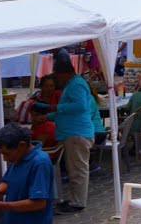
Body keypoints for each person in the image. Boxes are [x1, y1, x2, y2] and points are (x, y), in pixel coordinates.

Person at [0, 125, 53, 224]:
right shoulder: (19, 158)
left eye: (6, 154)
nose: (5, 159)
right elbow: (7, 182)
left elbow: (38, 203)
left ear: (22, 145)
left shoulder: (39, 162)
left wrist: (0, 205)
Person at [51, 62, 93, 215]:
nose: (56, 79)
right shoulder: (73, 84)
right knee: (75, 169)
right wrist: (49, 116)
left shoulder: (76, 85)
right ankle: (76, 200)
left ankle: (78, 203)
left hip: (77, 134)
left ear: (63, 73)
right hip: (74, 133)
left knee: (78, 170)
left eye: (57, 75)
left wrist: (57, 108)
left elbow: (79, 106)